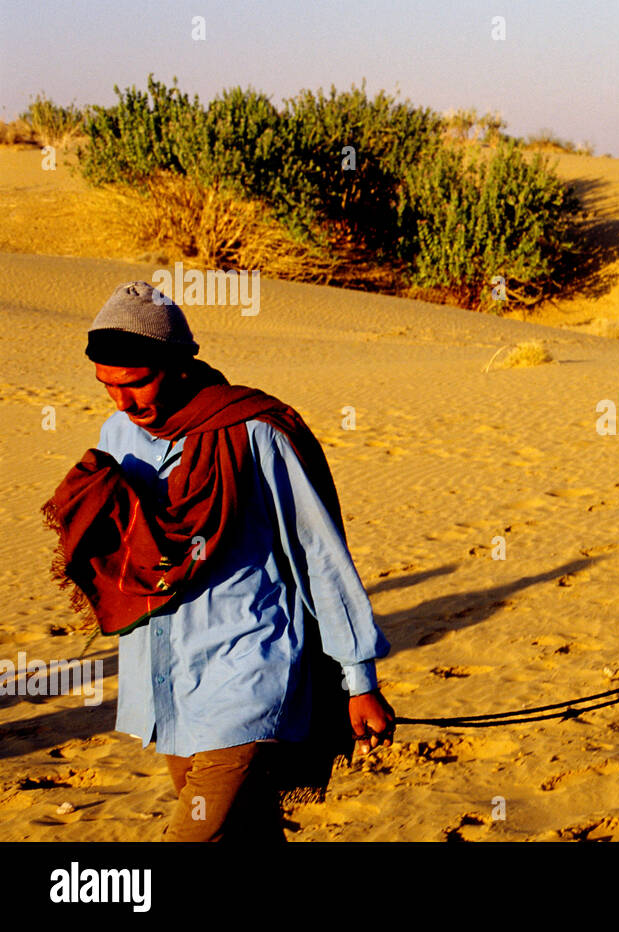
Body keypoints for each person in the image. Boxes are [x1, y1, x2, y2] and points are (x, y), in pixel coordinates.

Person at [42, 281, 395, 841]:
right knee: (248, 833)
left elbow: (319, 554)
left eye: (135, 383)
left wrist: (360, 679)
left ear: (179, 367)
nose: (123, 403)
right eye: (106, 386)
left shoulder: (255, 431)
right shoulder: (118, 434)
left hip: (248, 671)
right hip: (169, 682)